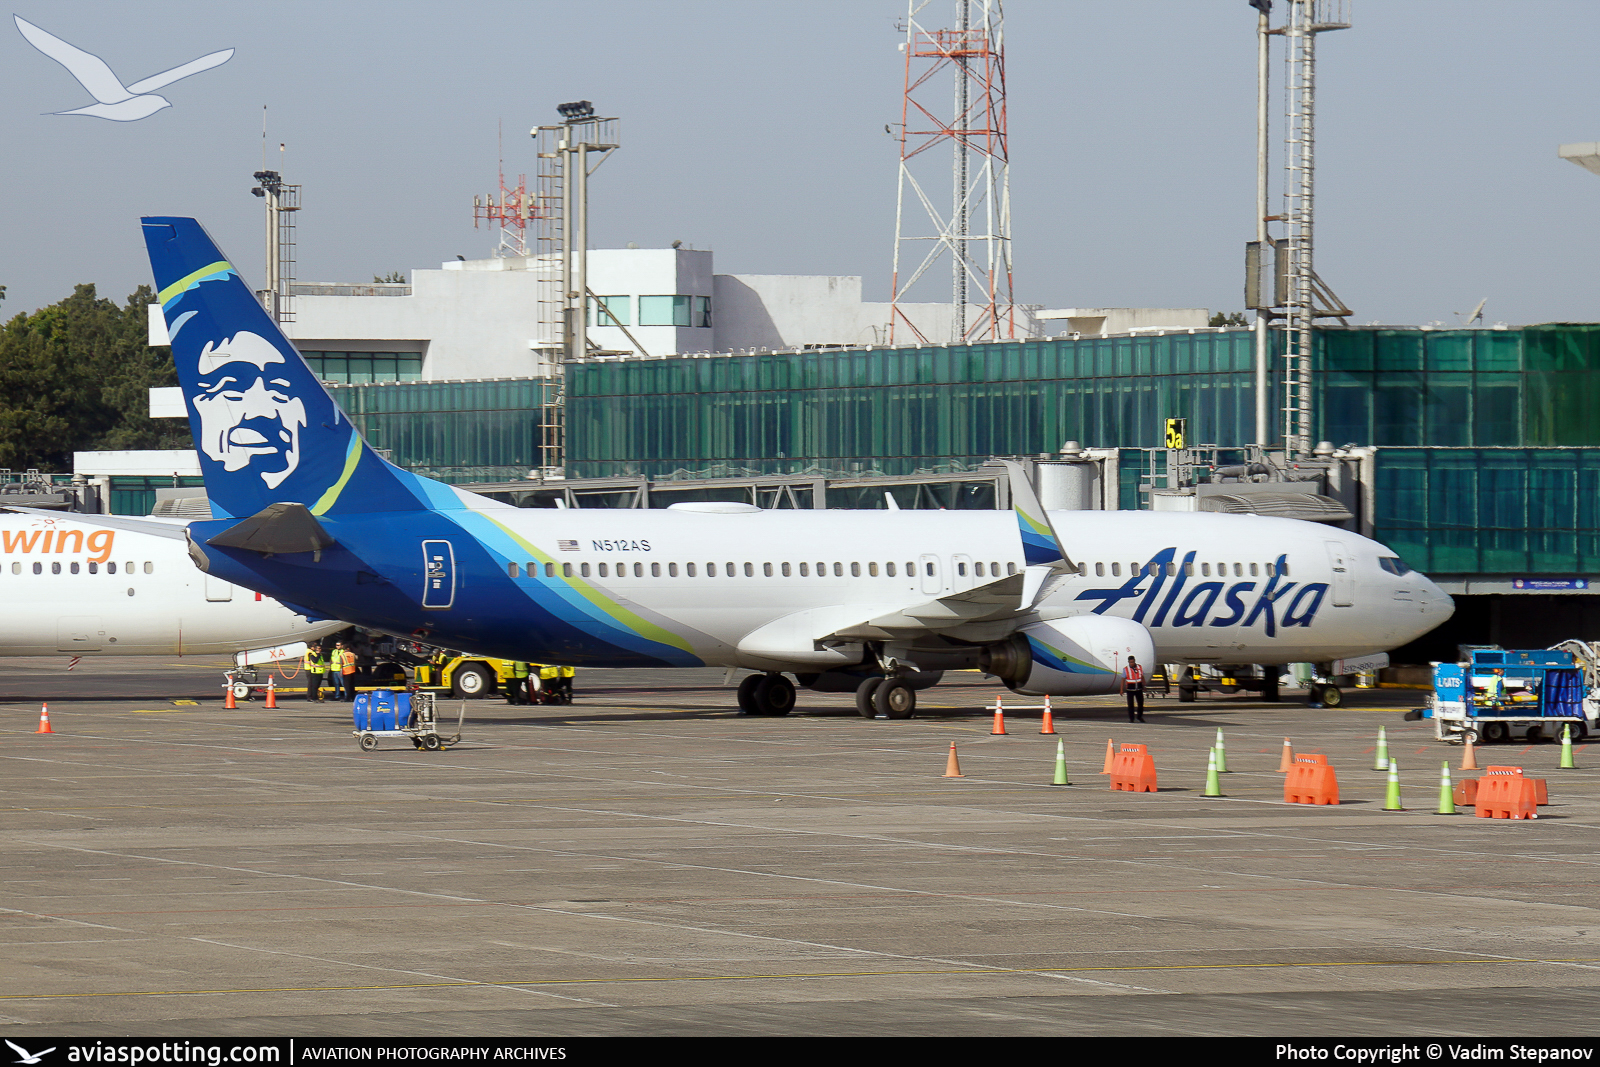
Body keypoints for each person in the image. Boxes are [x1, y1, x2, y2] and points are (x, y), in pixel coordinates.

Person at [1121, 654, 1146, 723]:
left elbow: (1142, 677)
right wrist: (1121, 690)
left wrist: (1144, 686)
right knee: (1130, 705)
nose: (1132, 663)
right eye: (1130, 662)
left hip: (1139, 689)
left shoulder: (1139, 667)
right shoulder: (1126, 669)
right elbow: (1123, 679)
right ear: (1128, 662)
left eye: (1132, 662)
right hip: (1130, 689)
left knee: (1140, 704)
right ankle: (1131, 718)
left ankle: (1139, 717)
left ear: (1134, 661)